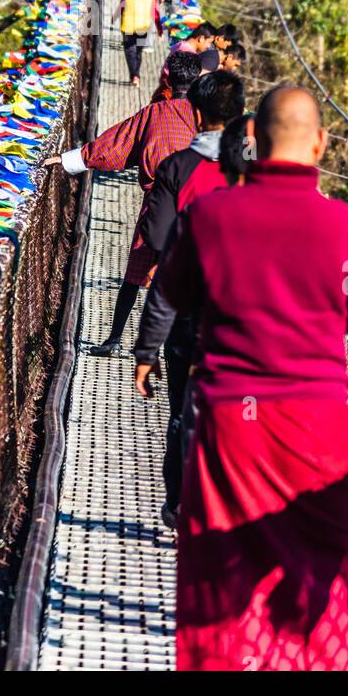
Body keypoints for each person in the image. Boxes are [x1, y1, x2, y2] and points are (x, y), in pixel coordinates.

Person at [157, 84, 348, 672]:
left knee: (221, 559)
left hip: (234, 417)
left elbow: (175, 292)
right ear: (321, 145)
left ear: (252, 137)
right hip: (317, 424)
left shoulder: (208, 215)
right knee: (325, 559)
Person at [135, 71, 246, 527]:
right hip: (243, 317)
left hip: (184, 312)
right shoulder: (257, 175)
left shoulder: (177, 167)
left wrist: (145, 349)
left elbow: (156, 235)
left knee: (183, 408)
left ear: (195, 114)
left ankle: (179, 503)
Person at [45, 52, 203, 355]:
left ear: (169, 77)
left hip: (158, 206)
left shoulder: (153, 113)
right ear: (199, 80)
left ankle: (114, 339)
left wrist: (70, 159)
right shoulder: (205, 119)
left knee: (135, 274)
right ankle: (181, 344)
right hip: (198, 206)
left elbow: (116, 144)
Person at [119, 0, 155, 85]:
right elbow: (154, 11)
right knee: (139, 51)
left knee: (130, 50)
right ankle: (136, 75)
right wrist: (159, 28)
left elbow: (122, 8)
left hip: (128, 26)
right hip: (143, 26)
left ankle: (134, 74)